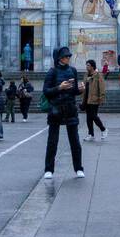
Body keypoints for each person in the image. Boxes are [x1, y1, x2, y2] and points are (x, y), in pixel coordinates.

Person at [42, 47, 84, 179]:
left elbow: (75, 91)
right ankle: (49, 170)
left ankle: (78, 168)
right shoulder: (52, 72)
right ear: (60, 58)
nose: (68, 58)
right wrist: (60, 87)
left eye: (69, 56)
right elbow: (46, 91)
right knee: (52, 141)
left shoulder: (73, 71)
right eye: (66, 56)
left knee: (75, 141)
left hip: (70, 108)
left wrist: (80, 89)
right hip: (56, 110)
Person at [82, 59, 108, 142]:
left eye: (88, 65)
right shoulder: (86, 75)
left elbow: (102, 88)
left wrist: (101, 98)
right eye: (86, 65)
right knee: (88, 118)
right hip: (86, 99)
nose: (86, 67)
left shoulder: (98, 75)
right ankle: (91, 134)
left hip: (94, 99)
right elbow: (84, 86)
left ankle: (103, 129)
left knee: (93, 116)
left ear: (92, 66)